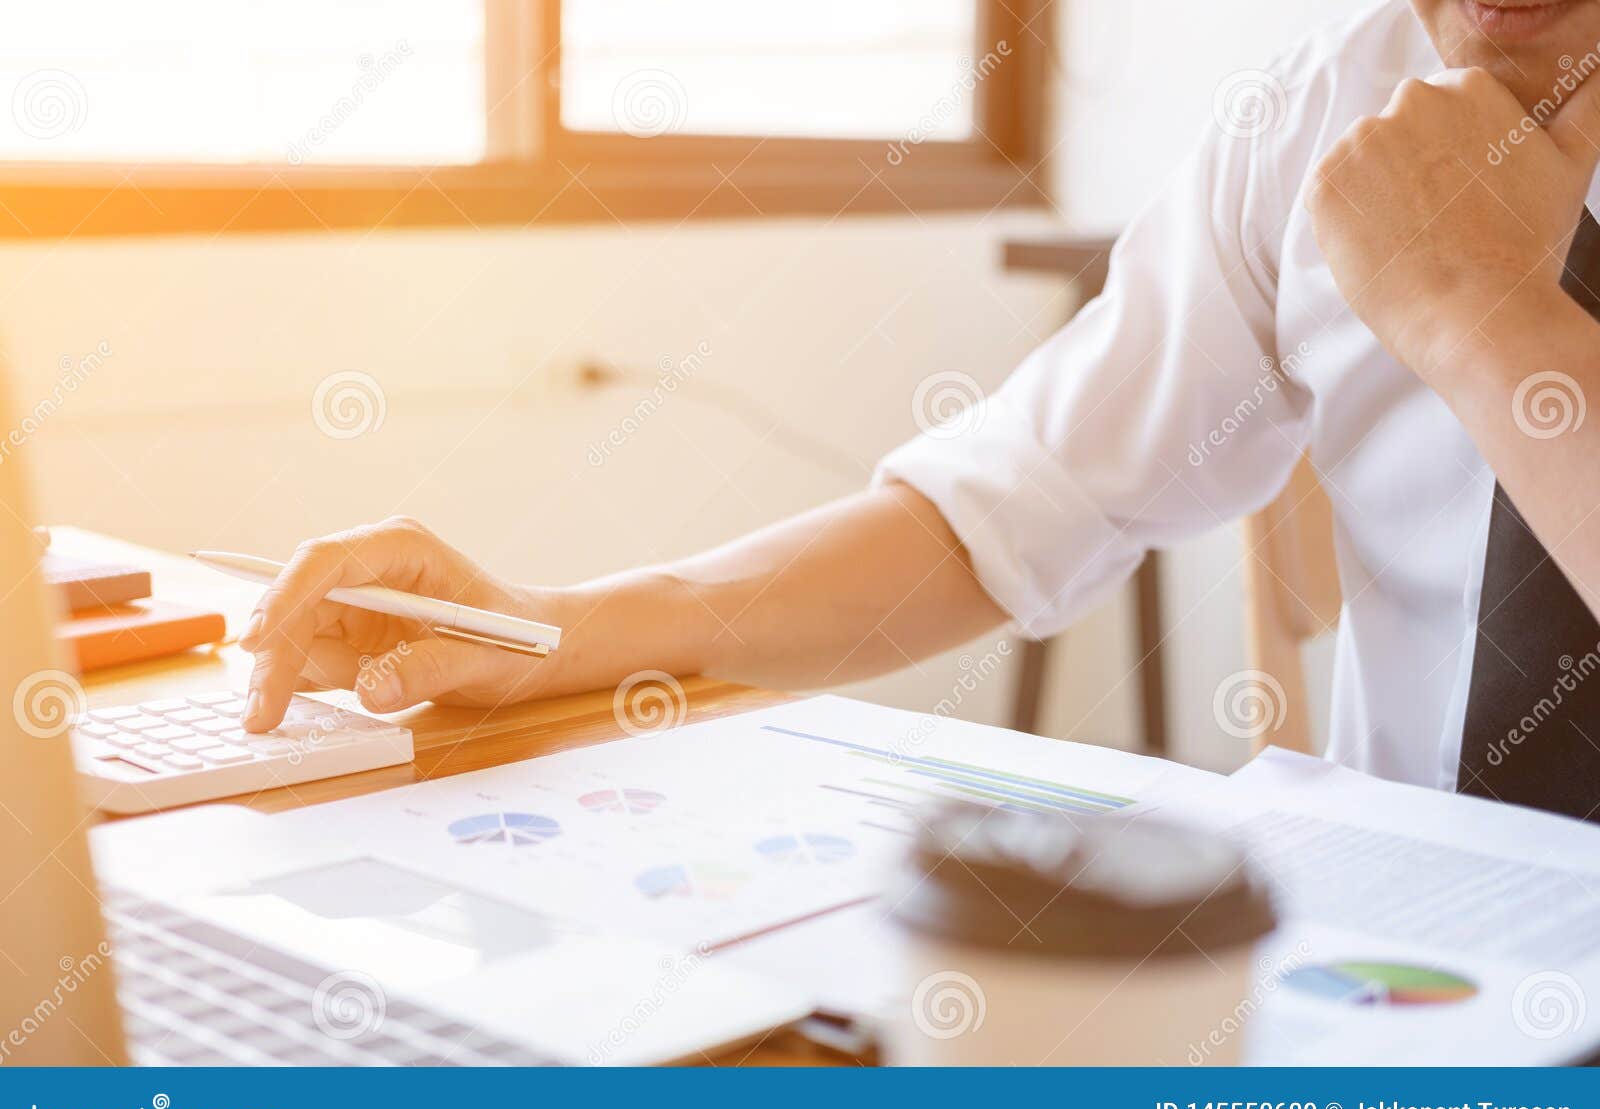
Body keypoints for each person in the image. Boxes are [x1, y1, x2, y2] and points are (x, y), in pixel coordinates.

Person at [241, 0, 1600, 821]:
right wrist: (553, 628)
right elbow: (998, 508)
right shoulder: (1317, 115)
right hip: (1422, 979)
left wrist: (1476, 316)